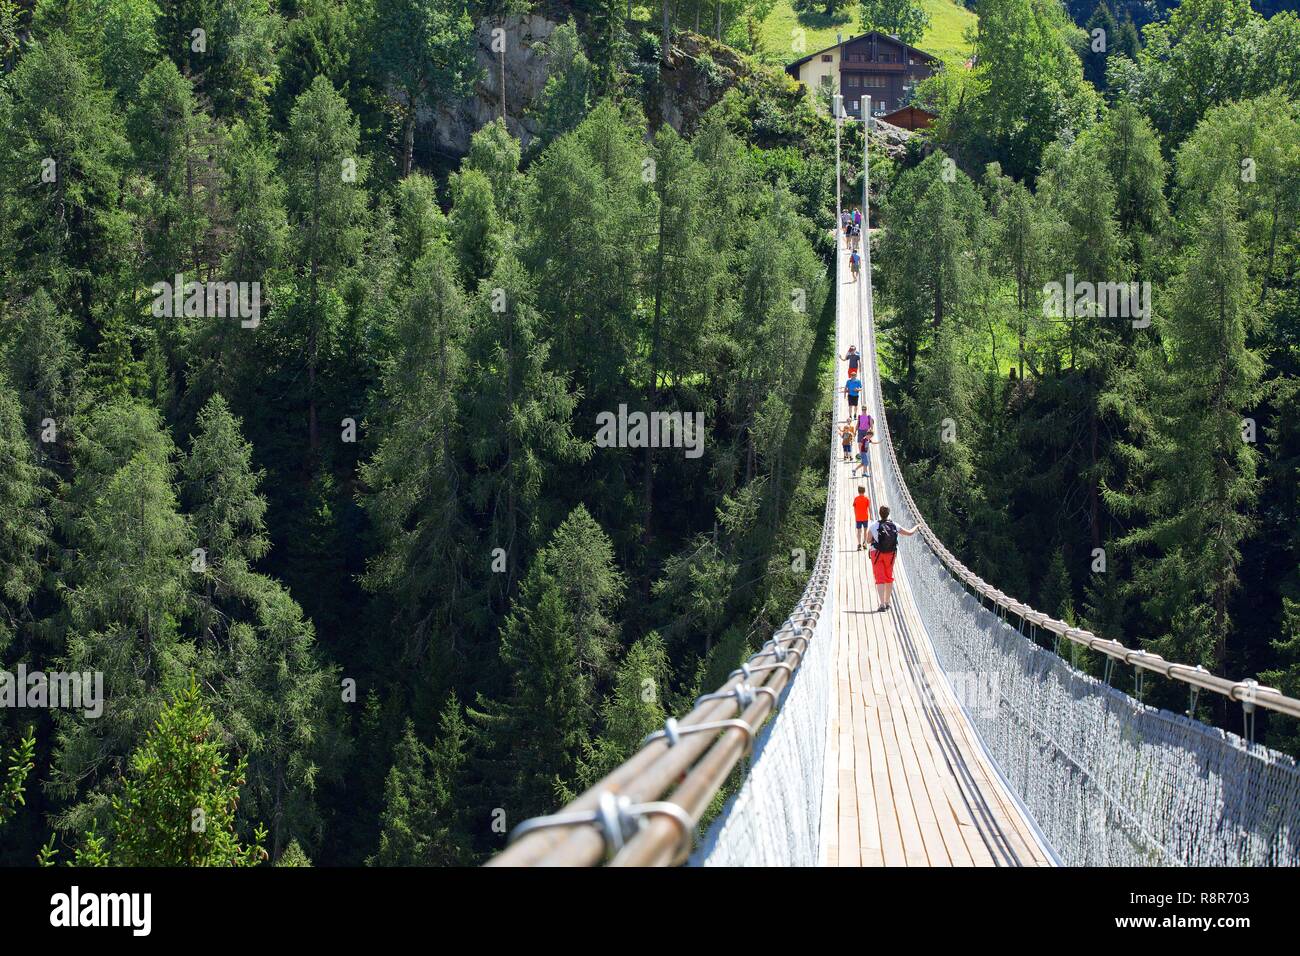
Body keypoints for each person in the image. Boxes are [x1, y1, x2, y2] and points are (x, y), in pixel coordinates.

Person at [867, 506, 919, 612]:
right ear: (888, 513)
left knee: (879, 578)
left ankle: (881, 604)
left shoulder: (873, 525)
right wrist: (917, 526)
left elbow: (868, 541)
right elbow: (909, 533)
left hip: (876, 554)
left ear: (880, 513)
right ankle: (887, 602)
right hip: (890, 554)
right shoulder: (895, 525)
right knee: (888, 577)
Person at [852, 485, 872, 551]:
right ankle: (865, 543)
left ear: (858, 491)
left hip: (858, 518)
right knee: (865, 530)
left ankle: (859, 544)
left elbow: (854, 507)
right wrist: (871, 515)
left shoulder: (856, 499)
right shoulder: (866, 498)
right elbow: (869, 508)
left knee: (859, 531)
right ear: (864, 491)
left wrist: (856, 515)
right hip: (865, 517)